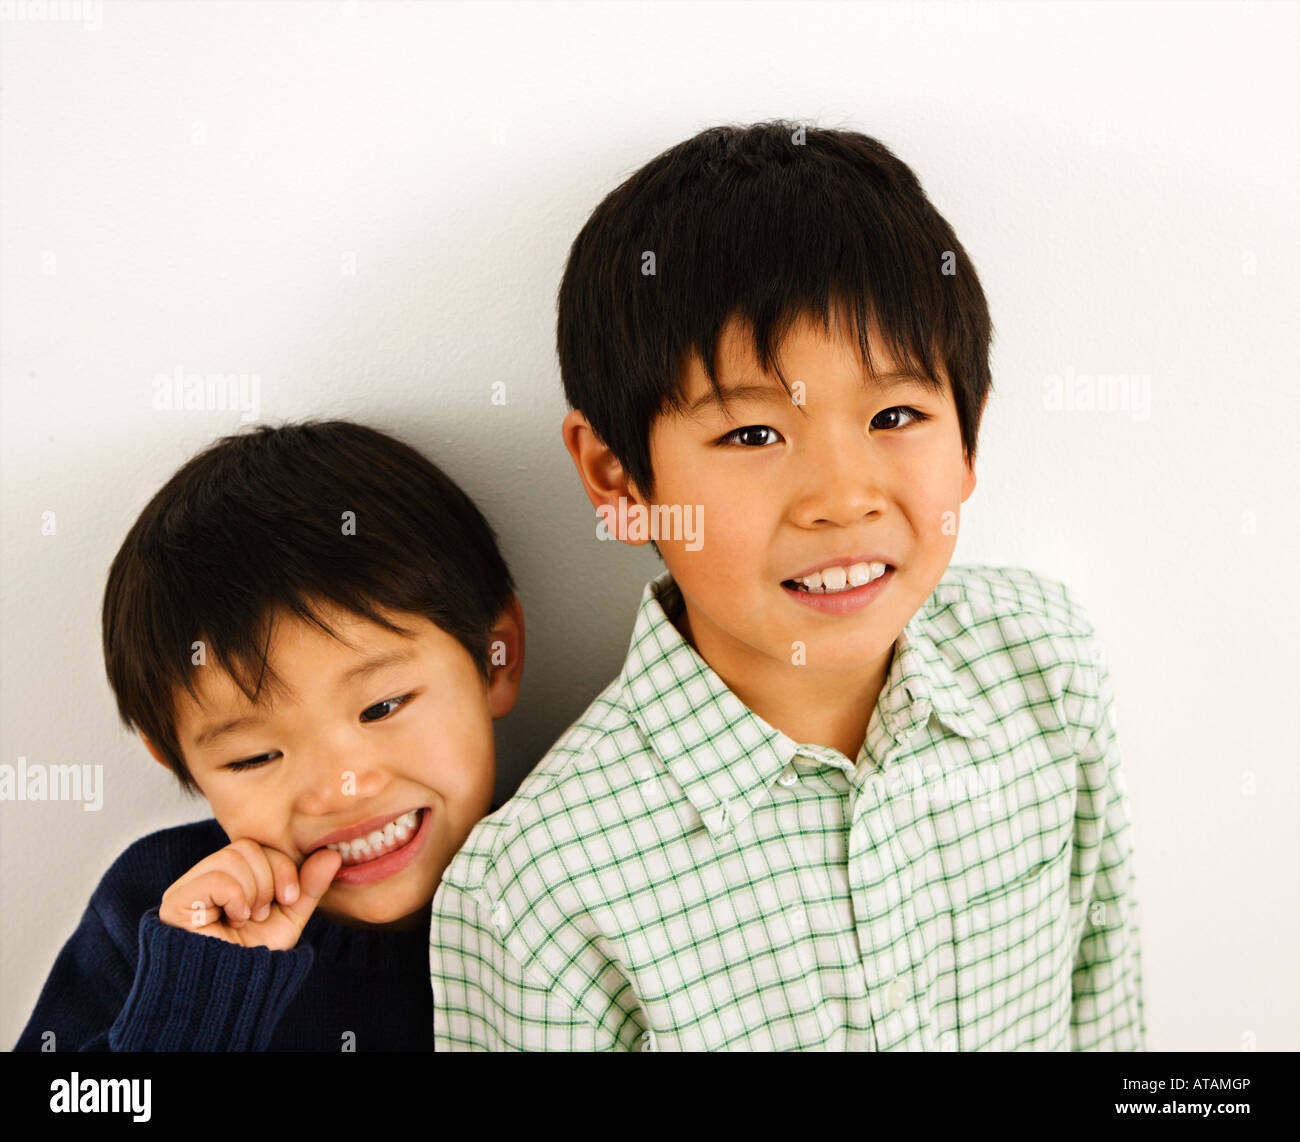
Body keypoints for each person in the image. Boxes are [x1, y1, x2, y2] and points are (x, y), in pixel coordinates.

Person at [428, 120, 1145, 1051]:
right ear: (618, 478)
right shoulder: (541, 894)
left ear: (968, 441)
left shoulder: (1047, 661)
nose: (843, 499)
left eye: (896, 414)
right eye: (753, 435)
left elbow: (1108, 1011)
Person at [15, 419, 523, 1050]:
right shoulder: (158, 912)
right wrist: (196, 1000)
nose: (341, 789)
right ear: (176, 758)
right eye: (255, 756)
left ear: (497, 658)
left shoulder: (563, 880)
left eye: (383, 706)